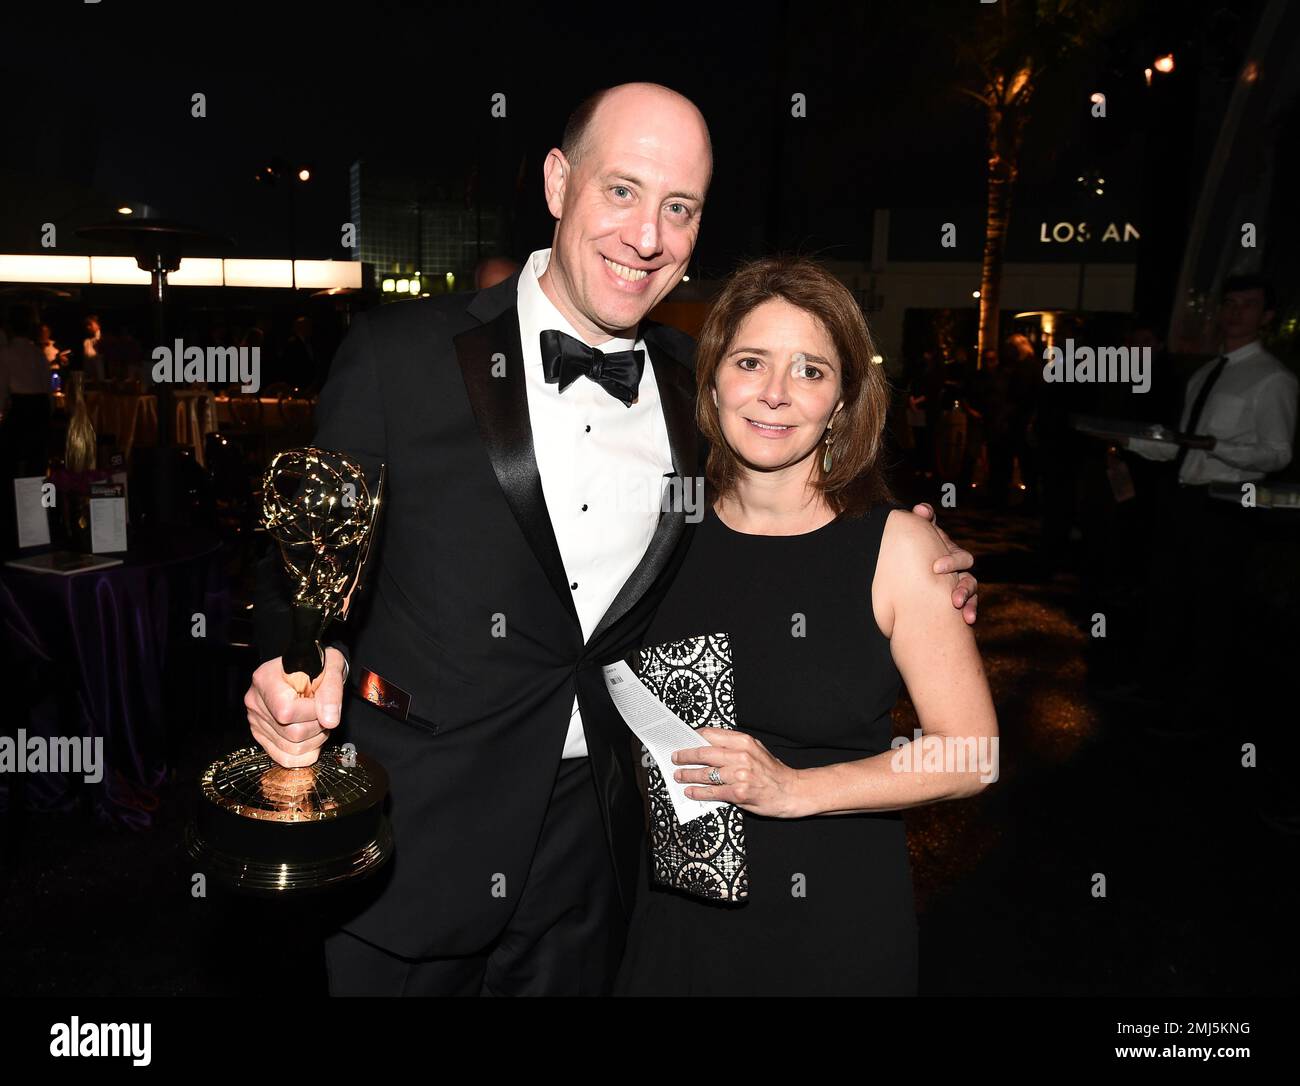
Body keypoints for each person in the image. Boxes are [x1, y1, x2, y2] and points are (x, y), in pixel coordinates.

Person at [244, 82, 980, 997]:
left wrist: (916, 553)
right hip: (418, 835)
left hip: (603, 852)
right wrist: (303, 658)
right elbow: (305, 555)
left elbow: (795, 494)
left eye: (680, 208)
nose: (647, 237)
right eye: (622, 191)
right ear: (559, 183)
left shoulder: (699, 388)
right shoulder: (398, 357)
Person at [613, 258, 997, 995]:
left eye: (811, 371)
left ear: (844, 399)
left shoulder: (897, 548)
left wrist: (793, 788)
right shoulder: (664, 527)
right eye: (751, 361)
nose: (775, 394)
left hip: (829, 922)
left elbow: (971, 754)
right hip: (677, 914)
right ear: (715, 378)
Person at [1124, 274, 1297, 729]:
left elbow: (1277, 452)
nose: (1235, 311)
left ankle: (1200, 703)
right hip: (1182, 498)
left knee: (1212, 605)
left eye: (1248, 304)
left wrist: (1213, 444)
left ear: (1267, 317)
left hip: (1225, 506)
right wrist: (1136, 441)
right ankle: (1153, 687)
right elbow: (1185, 442)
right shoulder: (1204, 372)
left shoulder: (1273, 378)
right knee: (1166, 594)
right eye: (1229, 302)